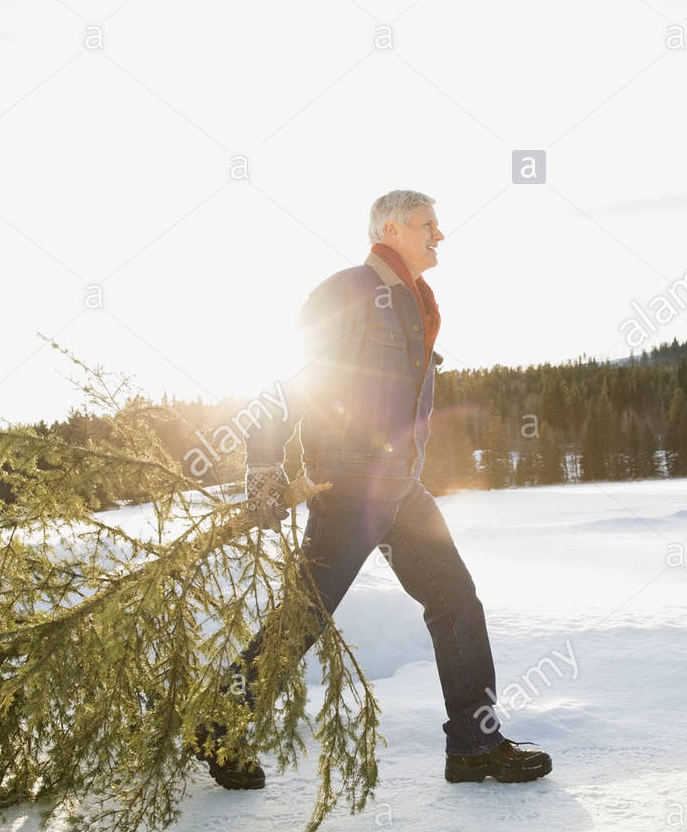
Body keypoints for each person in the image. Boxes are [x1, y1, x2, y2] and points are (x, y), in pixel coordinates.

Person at [192, 190, 552, 790]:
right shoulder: (348, 291)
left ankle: (474, 746)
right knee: (303, 616)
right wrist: (263, 473)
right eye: (427, 224)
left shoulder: (418, 302)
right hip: (350, 484)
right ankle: (218, 723)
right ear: (391, 227)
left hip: (401, 490)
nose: (439, 234)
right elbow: (288, 385)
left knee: (457, 603)